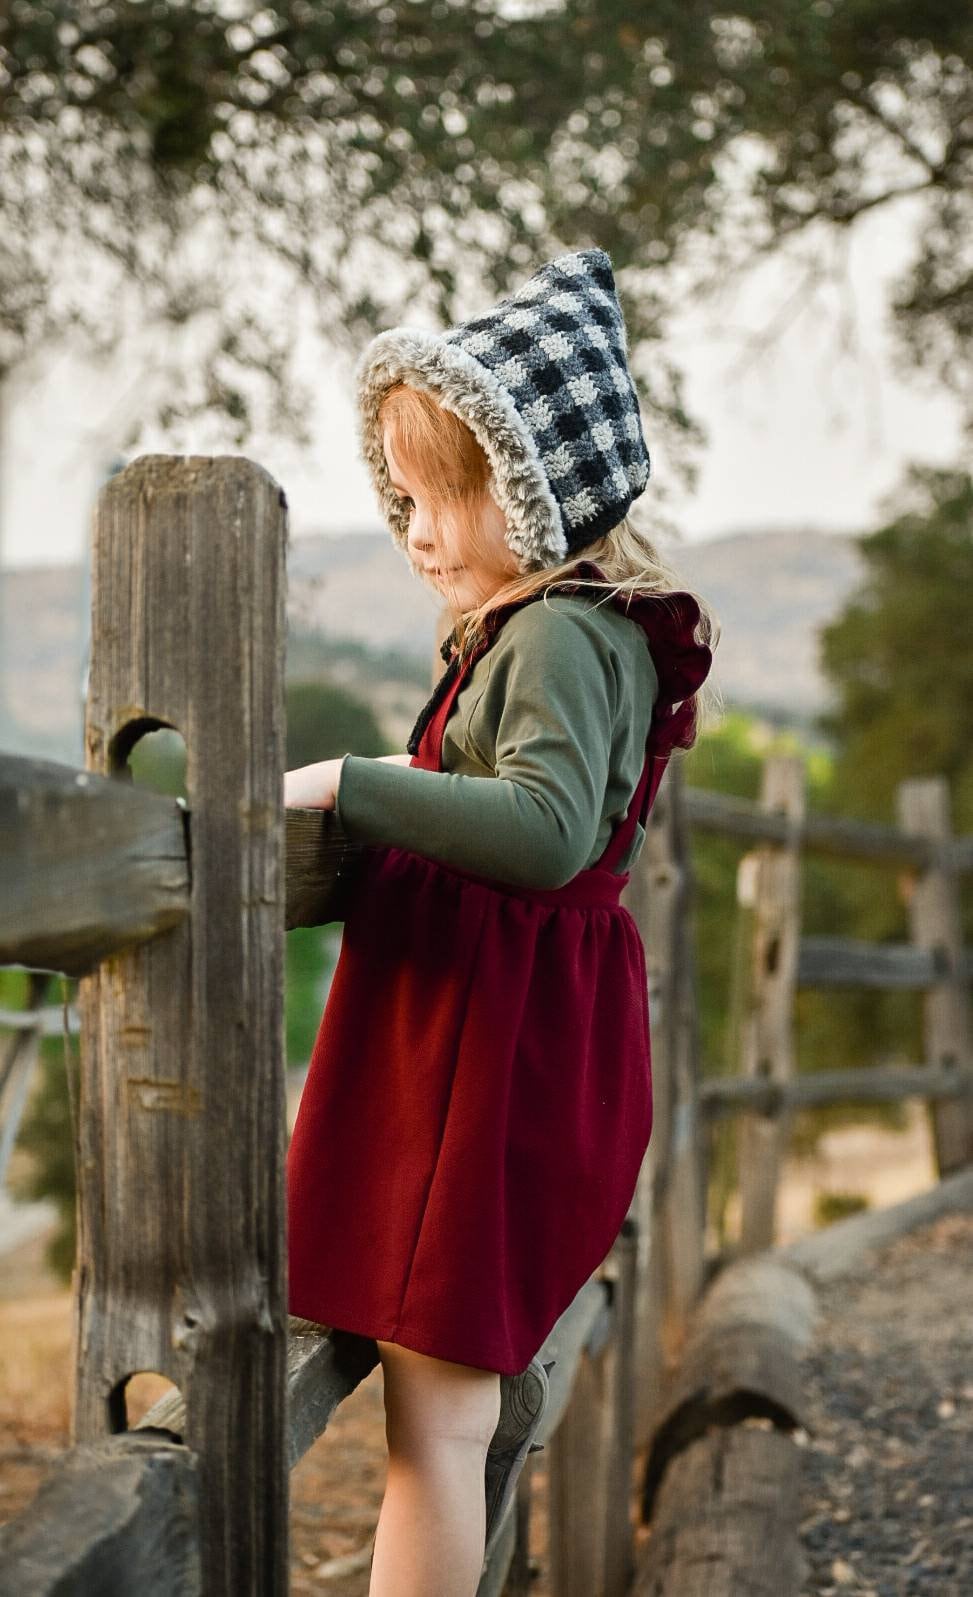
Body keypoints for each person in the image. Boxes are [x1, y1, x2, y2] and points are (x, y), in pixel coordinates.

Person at [283, 246, 719, 1596]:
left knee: (440, 1425)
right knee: (442, 1416)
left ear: (538, 495)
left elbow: (539, 828)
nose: (410, 526)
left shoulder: (555, 638)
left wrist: (357, 784)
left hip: (487, 1061)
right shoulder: (547, 633)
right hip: (487, 1041)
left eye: (441, 496)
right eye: (401, 494)